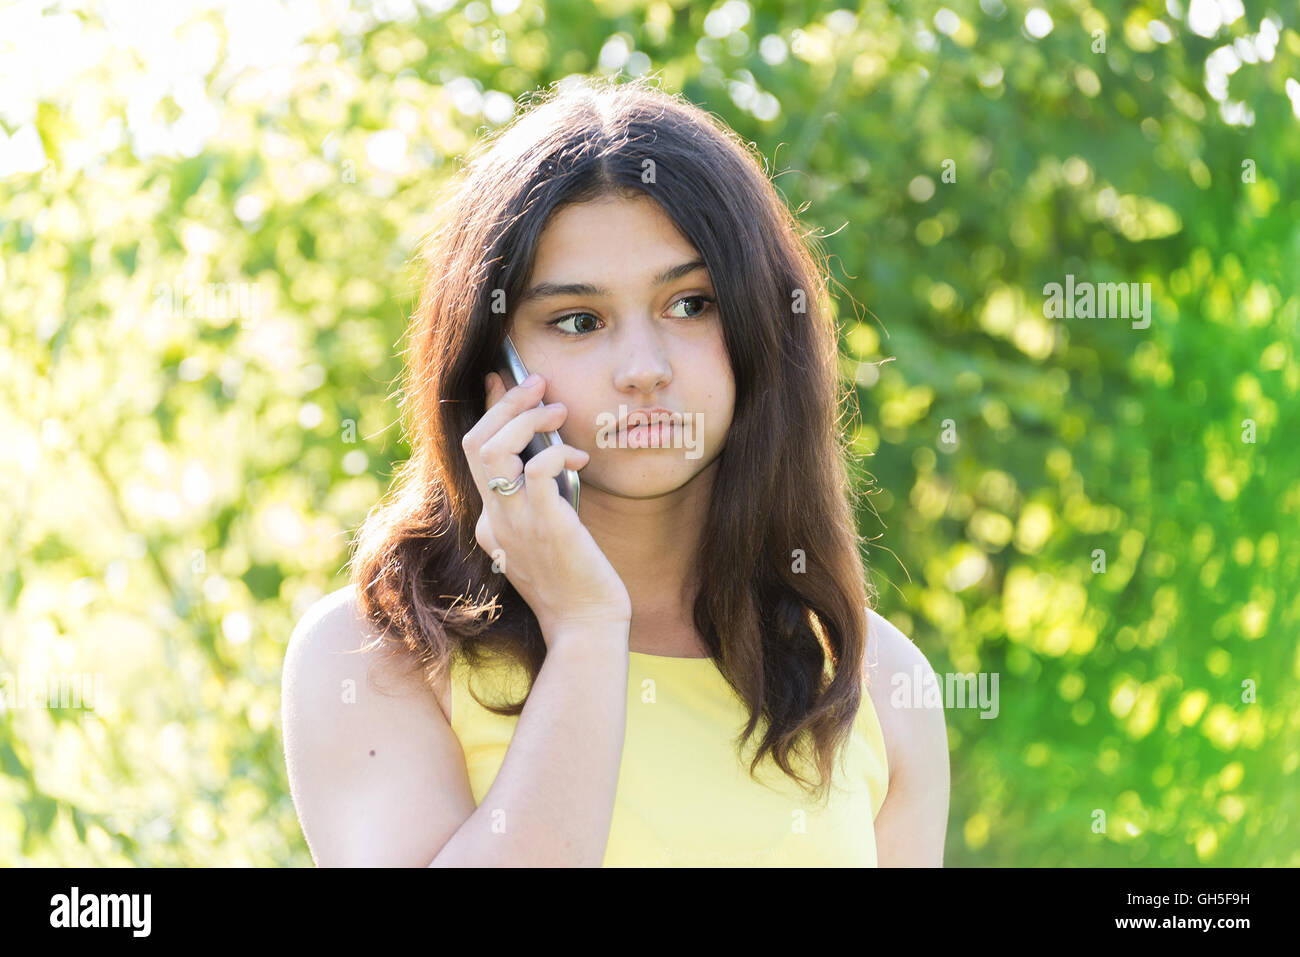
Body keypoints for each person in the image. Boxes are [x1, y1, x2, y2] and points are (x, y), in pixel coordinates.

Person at [281, 74, 949, 867]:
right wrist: (589, 631)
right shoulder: (376, 654)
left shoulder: (874, 679)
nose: (643, 368)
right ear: (493, 363)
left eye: (691, 304)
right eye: (579, 320)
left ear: (761, 328)